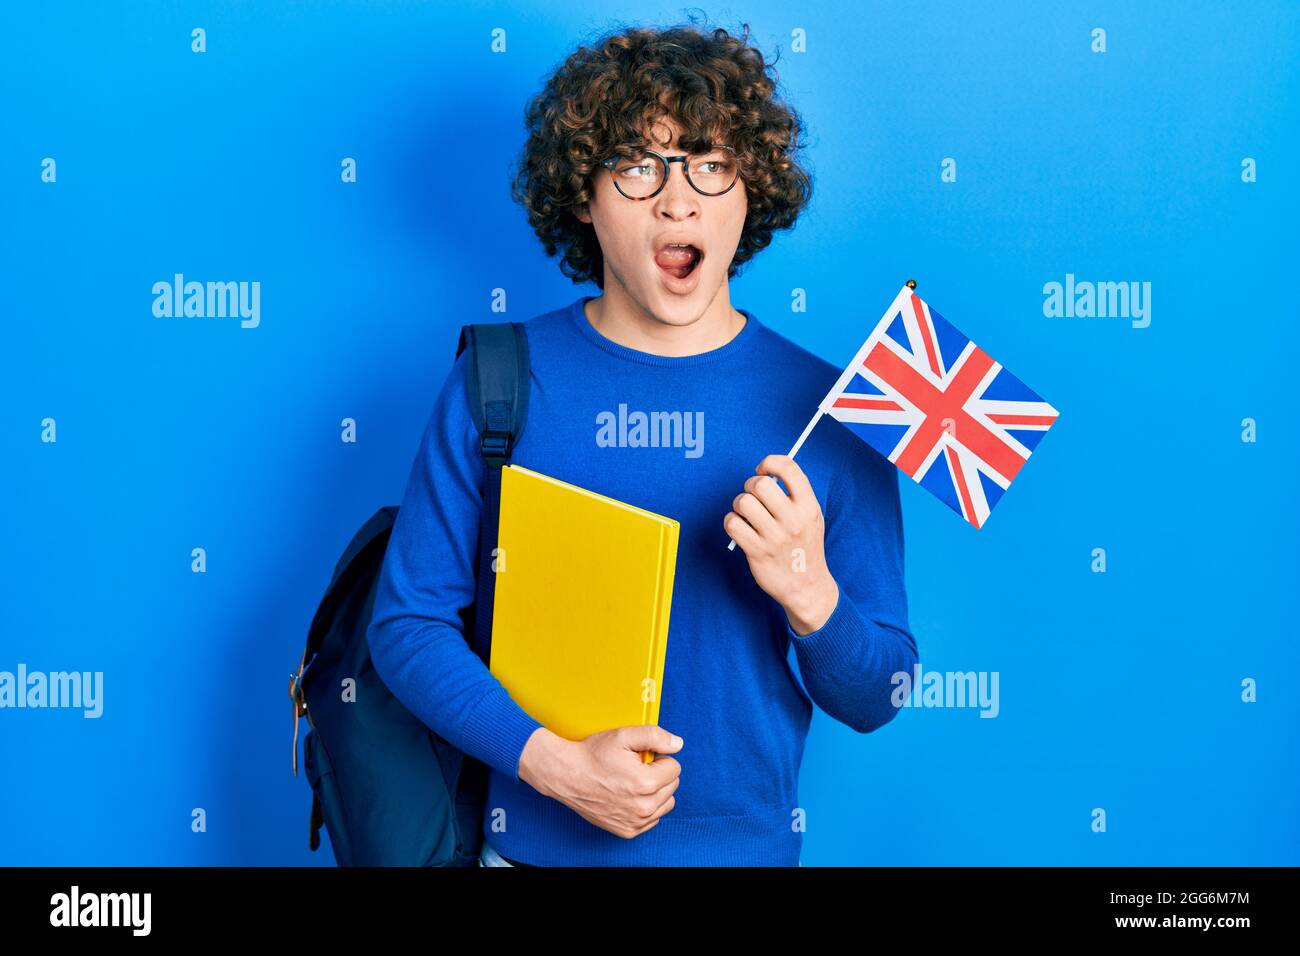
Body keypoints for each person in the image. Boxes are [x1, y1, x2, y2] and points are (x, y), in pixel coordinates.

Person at [367, 22, 917, 867]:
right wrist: (552, 767)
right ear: (583, 198)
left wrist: (811, 594)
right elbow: (408, 625)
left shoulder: (832, 411)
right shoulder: (498, 380)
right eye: (635, 165)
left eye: (710, 163)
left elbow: (882, 691)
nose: (677, 198)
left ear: (750, 193)